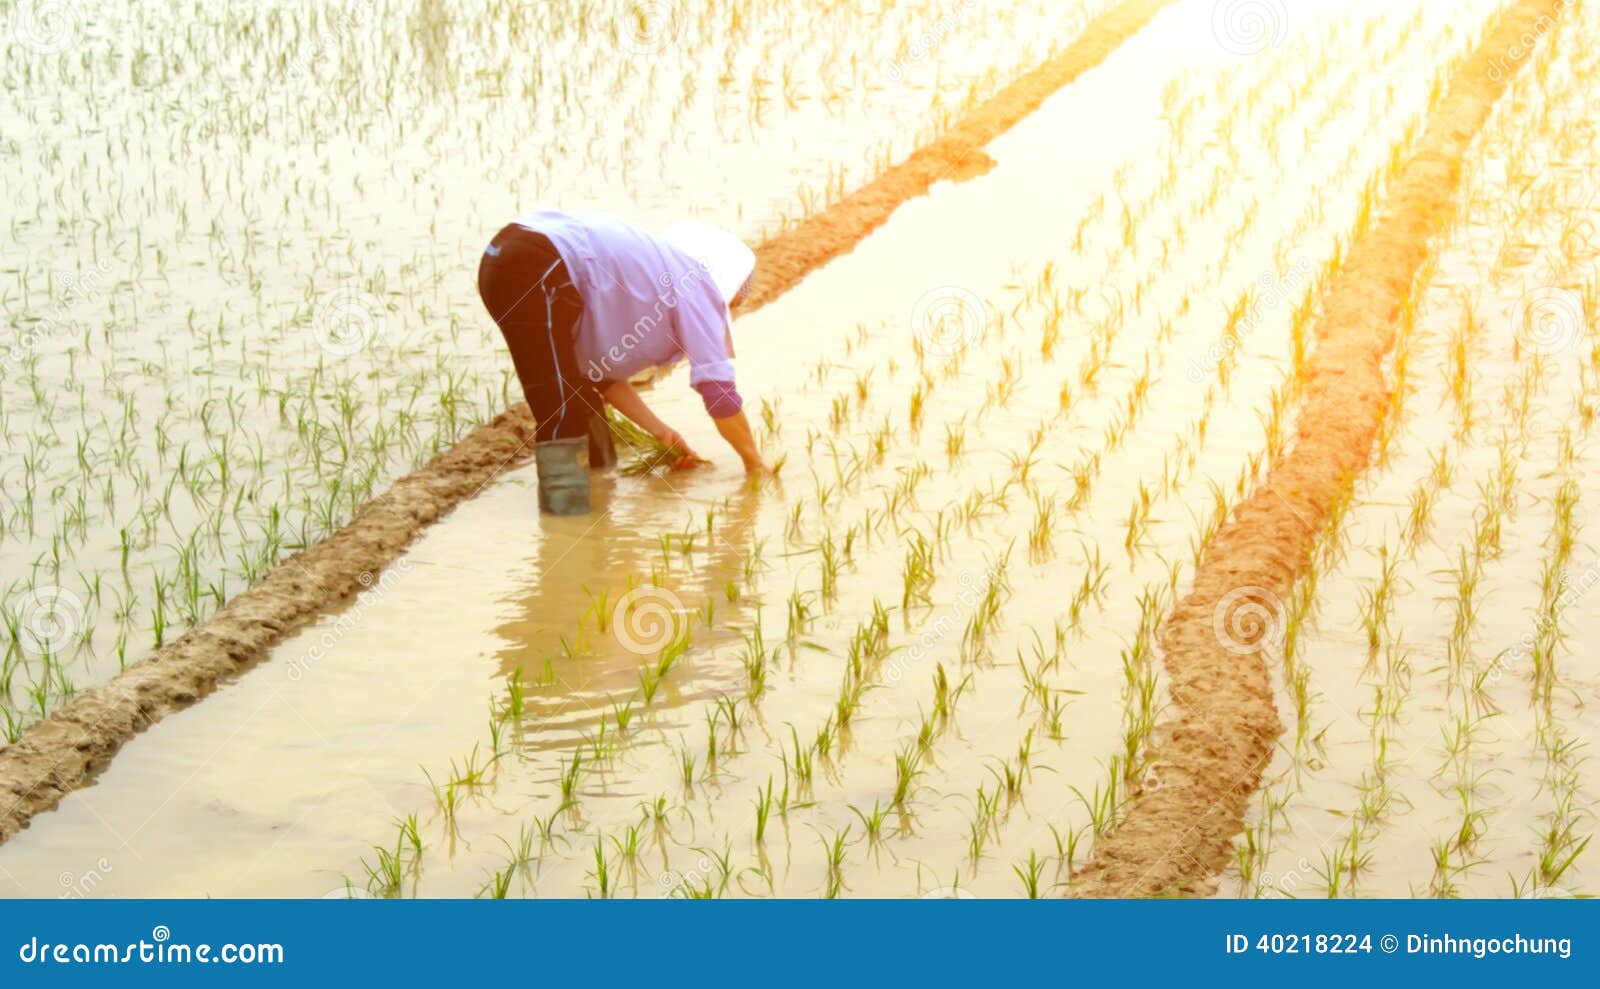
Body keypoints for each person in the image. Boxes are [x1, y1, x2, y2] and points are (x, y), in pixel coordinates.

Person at [477, 209, 770, 515]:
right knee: (560, 408)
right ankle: (566, 527)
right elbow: (718, 392)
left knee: (573, 394)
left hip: (501, 260)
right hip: (537, 263)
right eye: (736, 299)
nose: (731, 308)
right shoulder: (698, 289)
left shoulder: (645, 283)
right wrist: (754, 463)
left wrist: (662, 434)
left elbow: (599, 375)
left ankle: (592, 498)